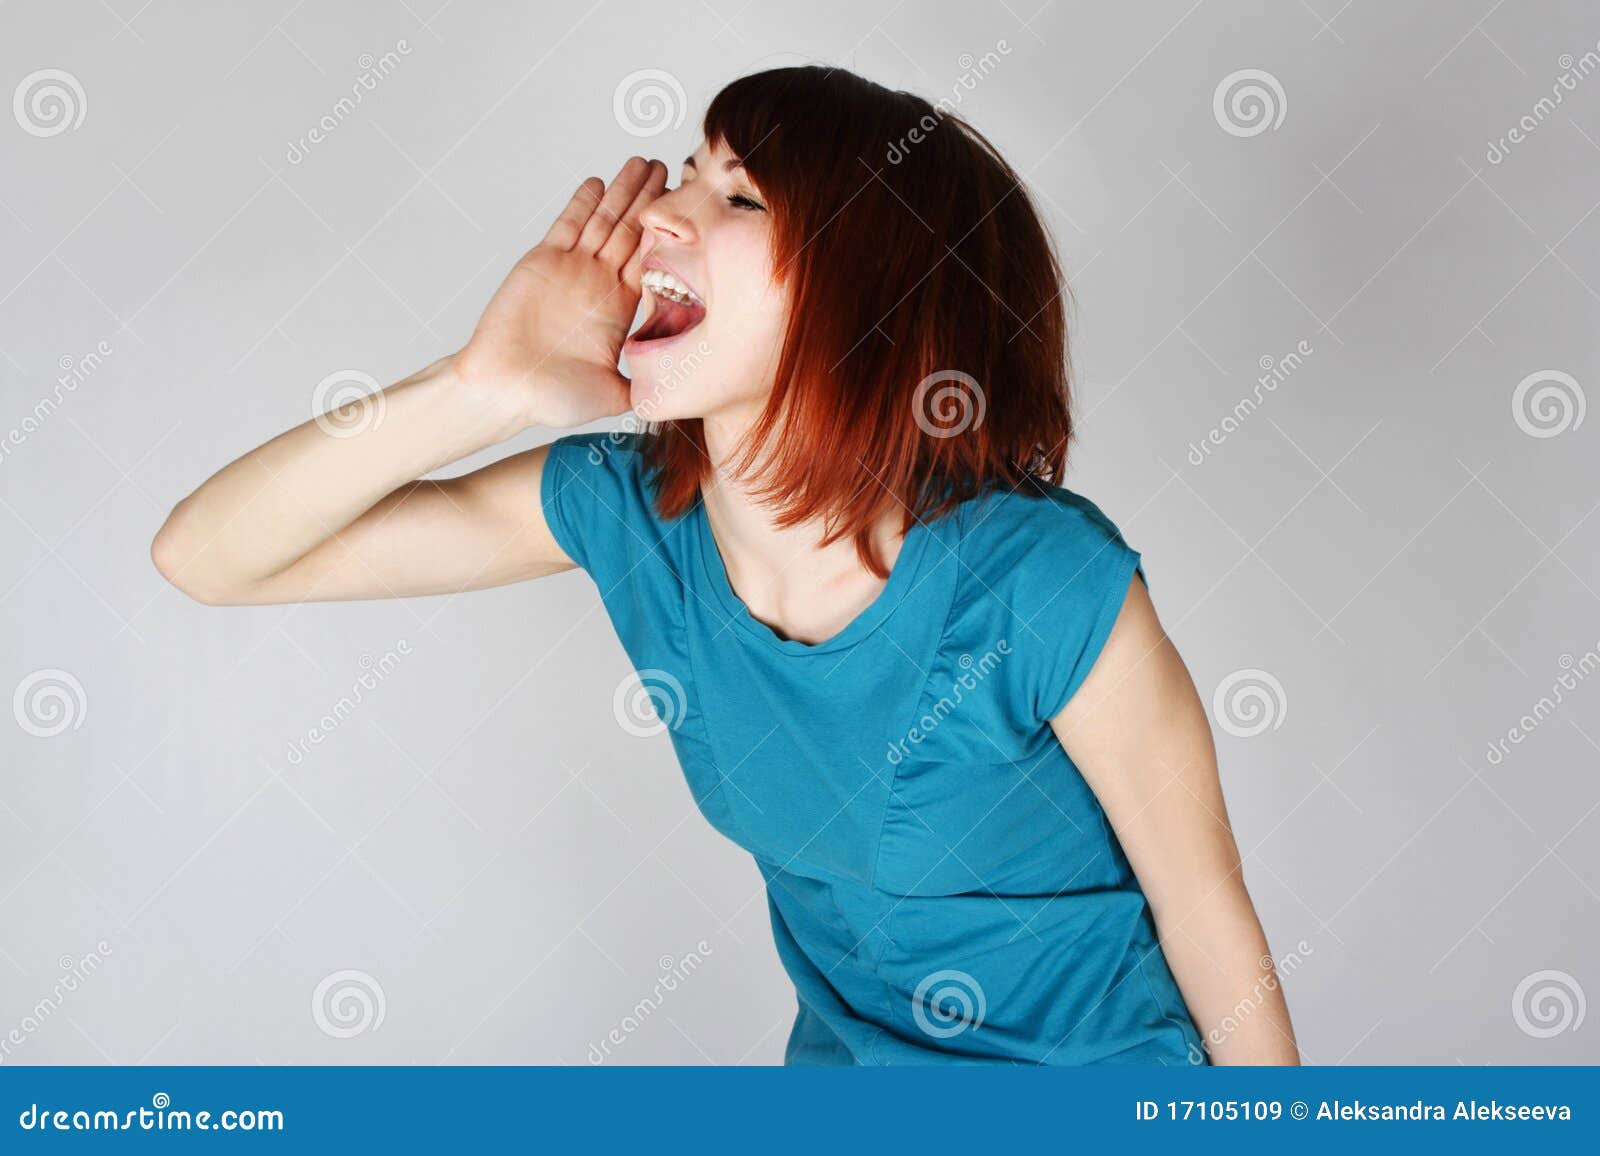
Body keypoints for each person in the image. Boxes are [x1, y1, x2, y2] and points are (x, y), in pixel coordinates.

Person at [152, 66, 1299, 1066]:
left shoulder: (1040, 582)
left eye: (740, 196)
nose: (660, 211)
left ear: (873, 301)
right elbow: (209, 556)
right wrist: (479, 387)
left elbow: (1209, 923)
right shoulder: (633, 512)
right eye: (688, 174)